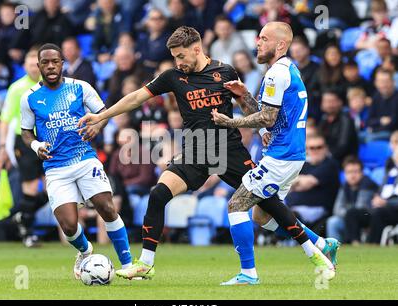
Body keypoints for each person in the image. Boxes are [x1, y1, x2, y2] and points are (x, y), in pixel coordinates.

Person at [78, 26, 337, 283]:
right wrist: (102, 116)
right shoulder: (172, 76)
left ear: (197, 49)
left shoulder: (225, 72)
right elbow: (136, 98)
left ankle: (318, 244)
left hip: (229, 150)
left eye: (181, 56)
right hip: (196, 149)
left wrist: (251, 113)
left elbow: (253, 113)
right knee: (158, 194)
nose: (178, 63)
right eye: (174, 58)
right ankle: (145, 264)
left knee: (268, 206)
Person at [212, 22, 337, 284]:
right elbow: (270, 117)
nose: (258, 43)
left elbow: (267, 118)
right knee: (262, 214)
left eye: (264, 39)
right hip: (287, 154)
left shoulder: (275, 74)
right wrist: (244, 96)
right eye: (258, 37)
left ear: (280, 45)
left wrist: (230, 121)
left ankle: (248, 273)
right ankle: (321, 244)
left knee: (236, 205)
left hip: (282, 156)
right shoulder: (286, 69)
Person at [20, 43, 133, 280]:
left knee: (107, 208)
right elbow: (26, 131)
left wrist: (97, 126)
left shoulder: (80, 88)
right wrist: (35, 145)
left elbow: (104, 113)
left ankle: (129, 264)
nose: (50, 66)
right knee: (69, 226)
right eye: (45, 62)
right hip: (55, 167)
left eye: (55, 61)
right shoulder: (29, 98)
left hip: (84, 159)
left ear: (63, 63)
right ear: (39, 66)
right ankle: (85, 250)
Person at [0, 47, 47, 248]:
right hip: (24, 140)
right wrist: (2, 147)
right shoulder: (17, 88)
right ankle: (28, 233)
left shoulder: (51, 86)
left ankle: (20, 216)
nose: (33, 68)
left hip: (47, 138)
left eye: (36, 64)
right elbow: (5, 119)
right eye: (29, 63)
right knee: (30, 187)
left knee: (52, 186)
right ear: (24, 66)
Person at [327, 156, 378, 242]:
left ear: (362, 172)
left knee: (352, 215)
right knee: (333, 221)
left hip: (368, 220)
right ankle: (334, 249)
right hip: (349, 218)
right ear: (344, 174)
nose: (352, 175)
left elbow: (360, 208)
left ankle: (353, 244)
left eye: (355, 172)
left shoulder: (367, 184)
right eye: (349, 172)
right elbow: (337, 209)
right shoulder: (345, 186)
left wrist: (347, 211)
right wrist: (347, 213)